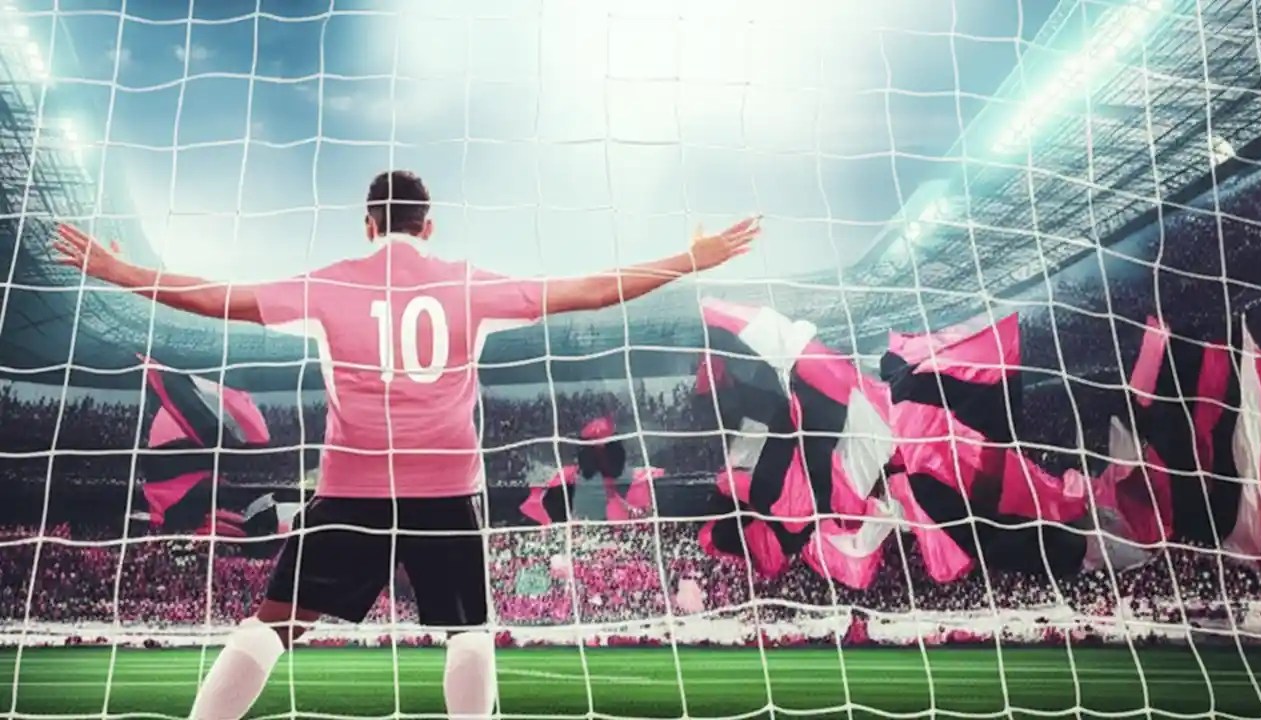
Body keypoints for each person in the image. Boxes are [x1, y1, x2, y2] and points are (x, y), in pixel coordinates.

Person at [51, 169, 760, 720]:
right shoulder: (468, 284)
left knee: (273, 625)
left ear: (369, 225)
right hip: (445, 492)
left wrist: (122, 273)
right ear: (430, 224)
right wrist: (690, 258)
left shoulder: (331, 284)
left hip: (350, 491)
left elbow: (215, 297)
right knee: (469, 630)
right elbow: (592, 290)